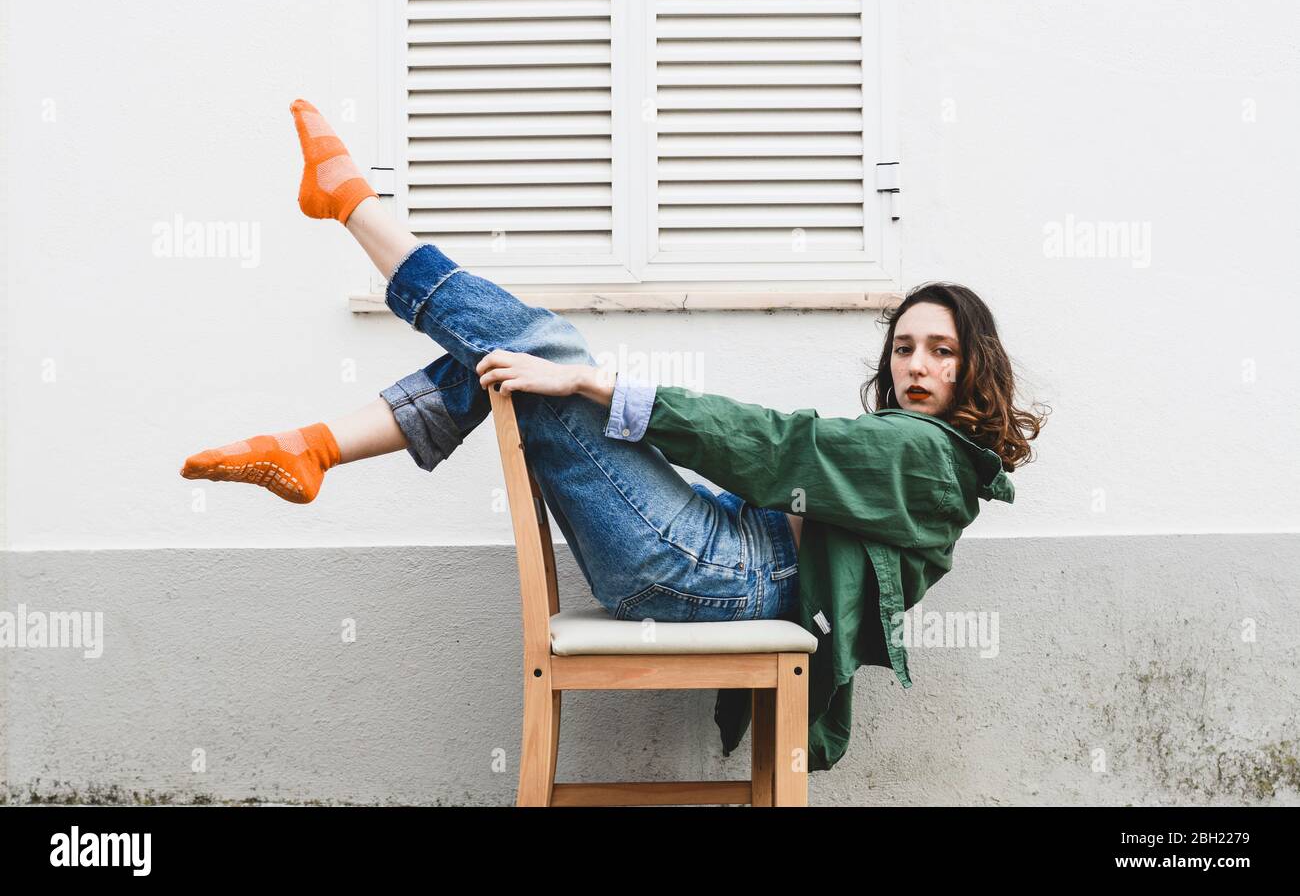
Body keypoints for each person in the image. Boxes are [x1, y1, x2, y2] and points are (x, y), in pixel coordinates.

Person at [179, 99, 1047, 636]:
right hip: (710, 550)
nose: (916, 364)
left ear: (976, 372)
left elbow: (782, 446)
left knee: (550, 353)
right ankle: (314, 446)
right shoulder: (918, 450)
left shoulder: (930, 458)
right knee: (522, 358)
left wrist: (596, 383)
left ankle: (352, 207)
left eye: (940, 351)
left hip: (714, 573)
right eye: (904, 346)